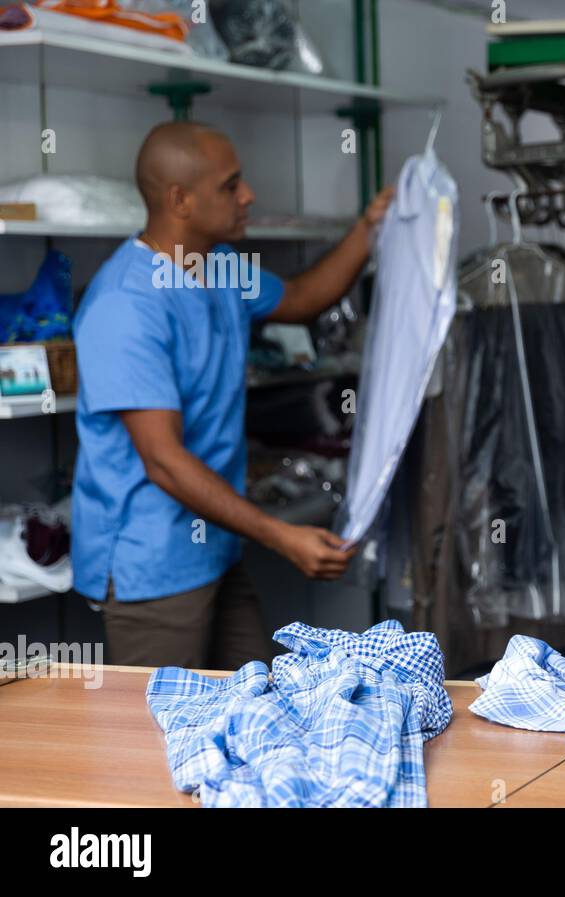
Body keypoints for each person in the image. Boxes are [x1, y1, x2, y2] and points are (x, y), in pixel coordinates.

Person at [71, 121, 394, 669]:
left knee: (253, 709)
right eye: (230, 185)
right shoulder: (126, 306)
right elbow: (164, 462)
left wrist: (370, 226)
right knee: (160, 744)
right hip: (153, 565)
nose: (247, 196)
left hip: (214, 546)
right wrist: (280, 536)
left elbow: (302, 298)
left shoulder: (218, 271)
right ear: (180, 199)